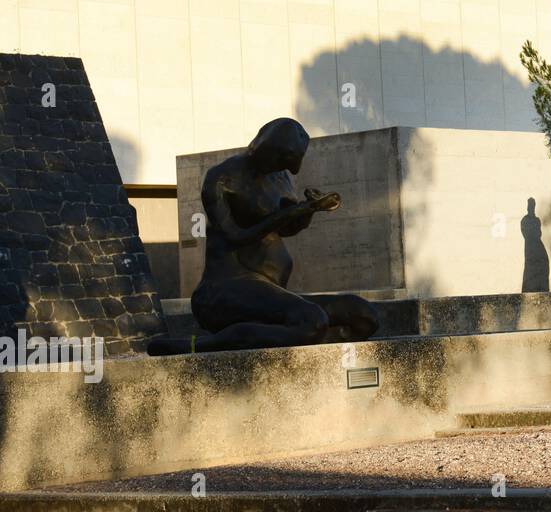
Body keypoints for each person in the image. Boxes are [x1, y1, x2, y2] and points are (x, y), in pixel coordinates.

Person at [147, 117, 379, 355]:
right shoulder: (222, 179)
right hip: (223, 292)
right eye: (280, 161)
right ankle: (202, 345)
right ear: (264, 149)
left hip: (271, 289)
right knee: (311, 320)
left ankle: (299, 336)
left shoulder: (280, 177)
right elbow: (234, 236)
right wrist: (288, 213)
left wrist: (308, 210)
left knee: (363, 316)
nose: (283, 169)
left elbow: (287, 228)